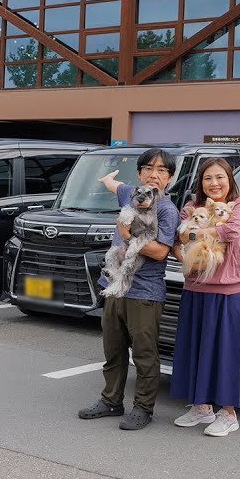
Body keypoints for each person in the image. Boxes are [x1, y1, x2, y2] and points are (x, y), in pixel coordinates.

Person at [77, 148, 180, 430]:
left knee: (145, 354)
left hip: (144, 293)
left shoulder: (168, 210)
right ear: (139, 173)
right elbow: (114, 185)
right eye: (149, 168)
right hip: (114, 287)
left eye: (162, 170)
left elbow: (160, 252)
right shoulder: (131, 194)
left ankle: (143, 409)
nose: (154, 174)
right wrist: (107, 179)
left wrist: (128, 233)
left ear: (169, 178)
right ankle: (111, 401)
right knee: (113, 349)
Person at [169, 157, 240, 437]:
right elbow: (180, 238)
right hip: (195, 287)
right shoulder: (191, 207)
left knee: (227, 353)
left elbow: (232, 230)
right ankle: (202, 407)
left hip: (230, 289)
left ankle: (228, 414)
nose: (214, 183)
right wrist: (191, 235)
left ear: (229, 179)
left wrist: (198, 231)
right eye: (207, 178)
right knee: (196, 348)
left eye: (219, 177)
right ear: (200, 183)